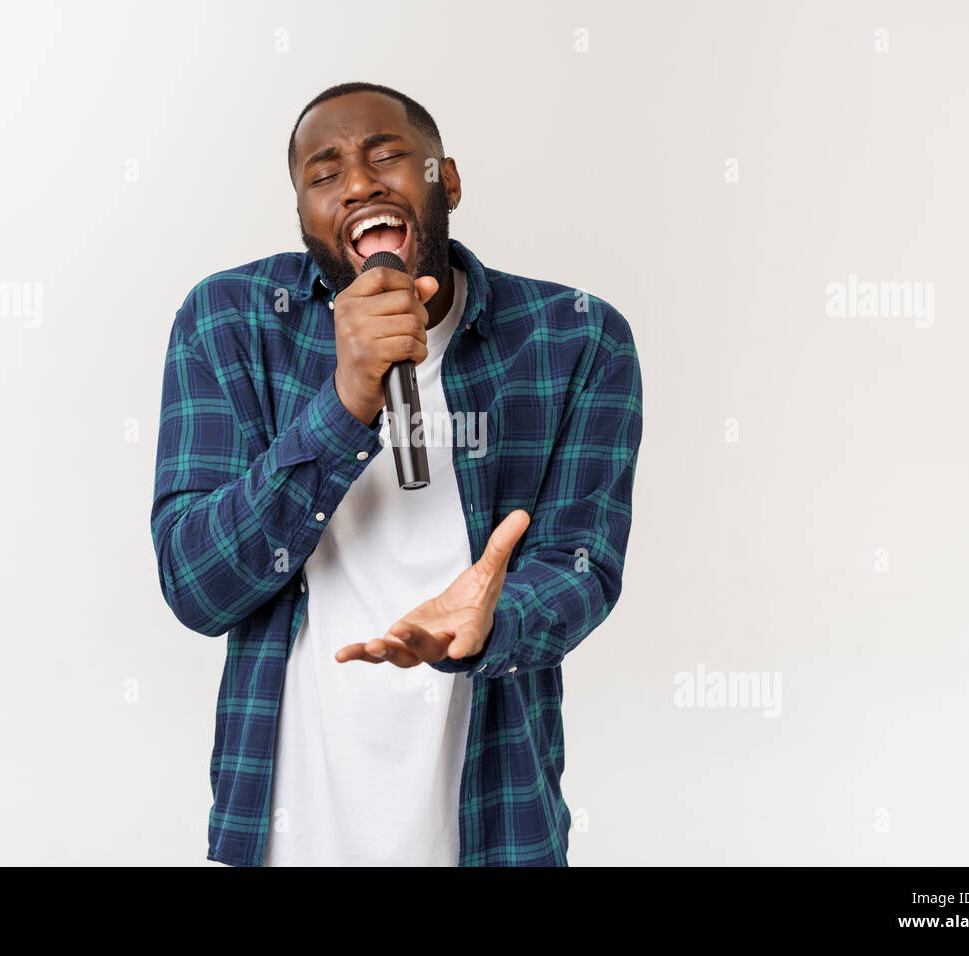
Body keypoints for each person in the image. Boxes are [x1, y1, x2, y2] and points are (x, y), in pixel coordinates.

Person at [149, 81, 643, 866]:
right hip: (283, 833)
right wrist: (344, 402)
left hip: (493, 828)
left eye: (388, 157)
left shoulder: (577, 339)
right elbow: (197, 585)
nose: (358, 183)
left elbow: (584, 567)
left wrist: (492, 622)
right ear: (306, 215)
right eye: (324, 174)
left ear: (446, 180)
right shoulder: (230, 322)